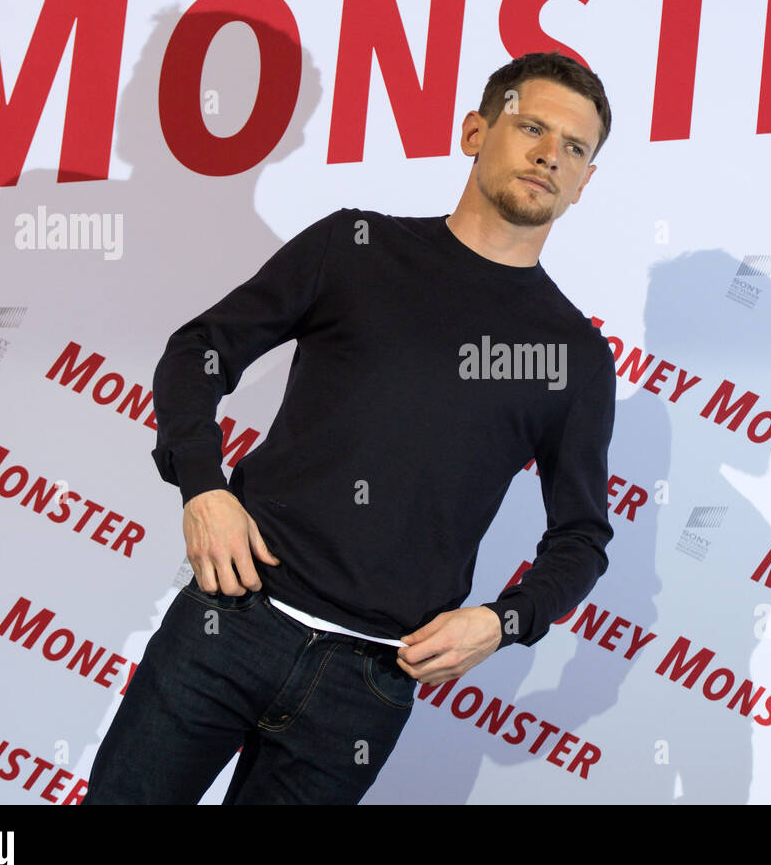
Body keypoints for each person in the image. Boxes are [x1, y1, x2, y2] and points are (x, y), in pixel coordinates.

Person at [82, 50, 617, 804]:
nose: (549, 155)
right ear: (475, 131)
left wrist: (503, 622)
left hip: (366, 686)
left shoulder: (574, 356)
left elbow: (581, 536)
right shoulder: (356, 246)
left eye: (574, 147)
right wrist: (202, 486)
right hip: (232, 621)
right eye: (532, 127)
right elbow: (200, 352)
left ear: (585, 180)